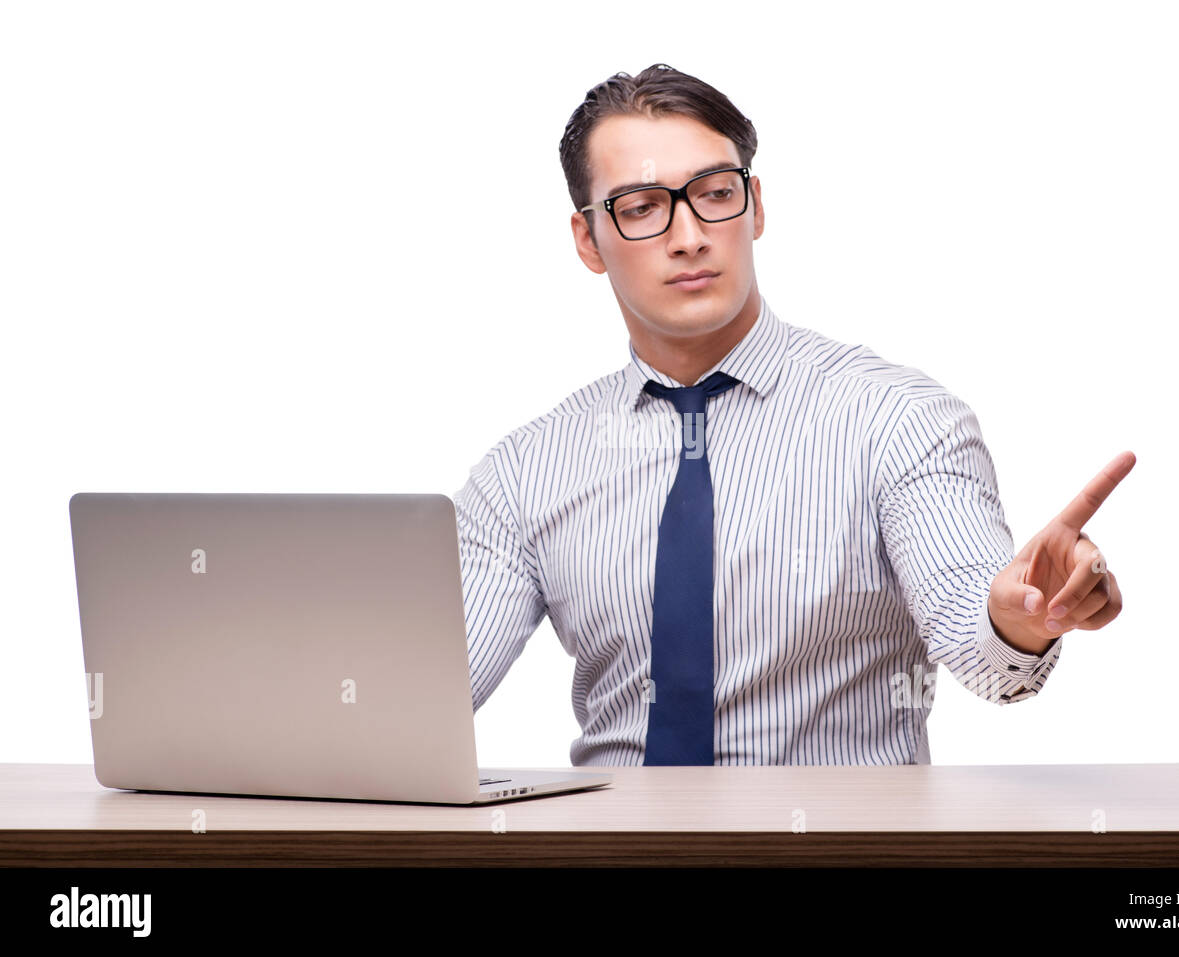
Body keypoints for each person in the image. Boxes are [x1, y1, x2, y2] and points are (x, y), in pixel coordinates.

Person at [453, 63, 1133, 766]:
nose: (688, 236)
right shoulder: (523, 475)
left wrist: (1016, 620)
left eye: (716, 193)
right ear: (588, 239)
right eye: (642, 207)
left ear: (755, 208)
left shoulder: (896, 421)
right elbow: (420, 694)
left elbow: (985, 652)